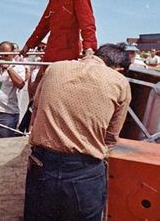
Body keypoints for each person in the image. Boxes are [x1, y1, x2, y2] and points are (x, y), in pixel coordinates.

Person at [24, 43, 131, 221]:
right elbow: (111, 136)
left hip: (42, 167)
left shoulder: (55, 68)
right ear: (119, 69)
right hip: (84, 173)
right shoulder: (119, 82)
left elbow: (36, 108)